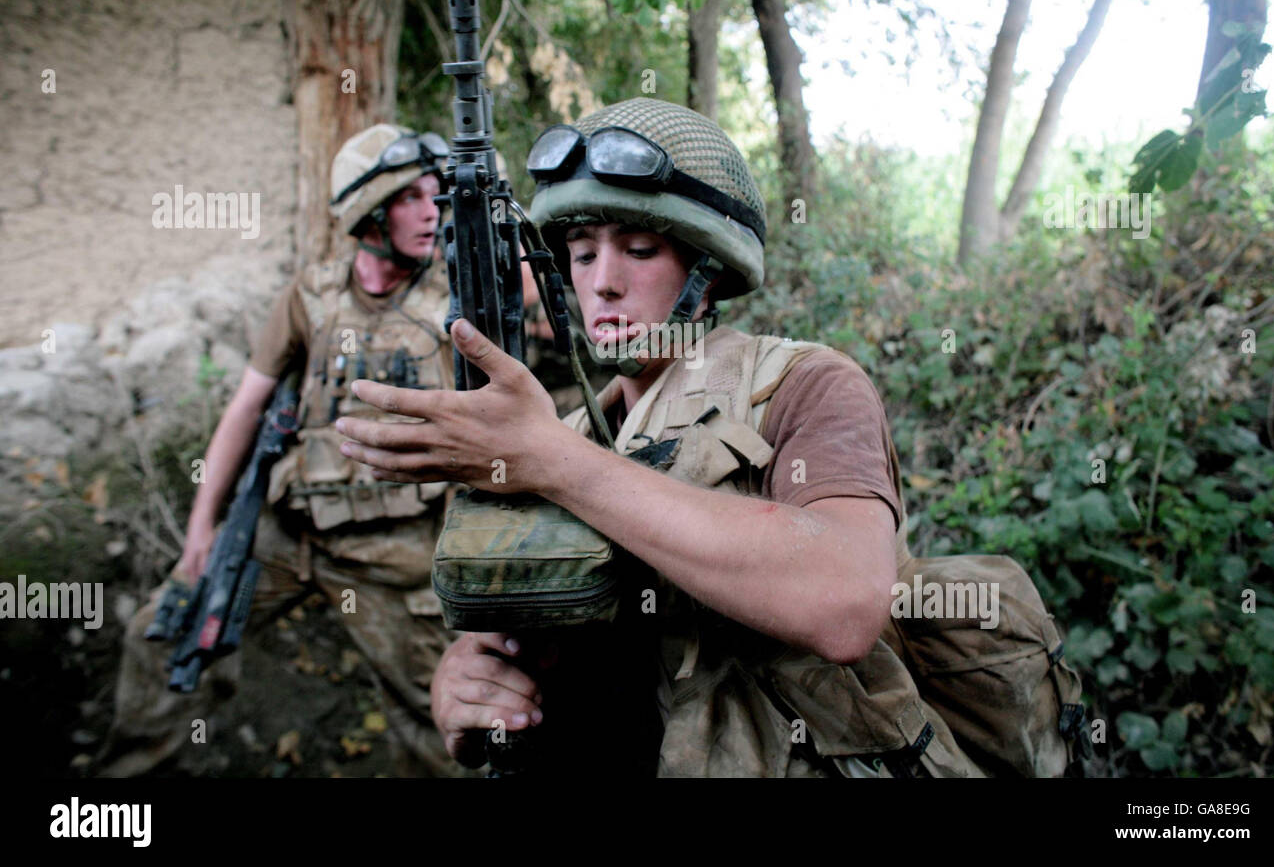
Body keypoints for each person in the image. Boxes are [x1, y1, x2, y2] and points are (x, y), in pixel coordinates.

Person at [335, 98, 984, 776]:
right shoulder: (570, 432)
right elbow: (507, 646)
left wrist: (559, 463)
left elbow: (847, 604)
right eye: (582, 255)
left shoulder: (806, 386)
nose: (604, 282)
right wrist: (465, 693)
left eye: (640, 250)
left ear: (706, 272)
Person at [99, 125, 475, 777]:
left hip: (395, 557)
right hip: (286, 532)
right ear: (367, 212)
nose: (430, 208)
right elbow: (245, 408)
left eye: (434, 194)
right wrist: (201, 526)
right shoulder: (310, 297)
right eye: (410, 196)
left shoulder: (457, 302)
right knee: (164, 636)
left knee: (439, 717)